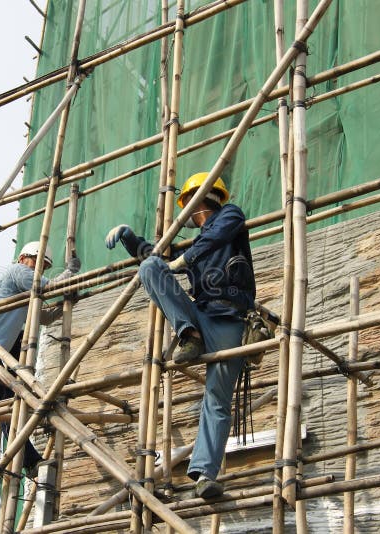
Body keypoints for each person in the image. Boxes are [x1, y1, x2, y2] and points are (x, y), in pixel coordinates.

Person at [104, 172, 255, 498]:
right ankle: (188, 334)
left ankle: (203, 475)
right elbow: (163, 262)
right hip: (200, 316)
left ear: (197, 199)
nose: (183, 210)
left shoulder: (230, 215)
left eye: (185, 202)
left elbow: (212, 240)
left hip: (230, 318)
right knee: (150, 269)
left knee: (217, 400)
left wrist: (183, 260)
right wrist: (132, 240)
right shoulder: (197, 244)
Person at [0, 240, 81, 474]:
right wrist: (70, 273)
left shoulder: (24, 290)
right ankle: (30, 460)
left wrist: (67, 304)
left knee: (22, 342)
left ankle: (24, 384)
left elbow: (44, 318)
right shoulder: (18, 272)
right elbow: (45, 288)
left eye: (44, 267)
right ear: (24, 258)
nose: (41, 269)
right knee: (6, 402)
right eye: (39, 264)